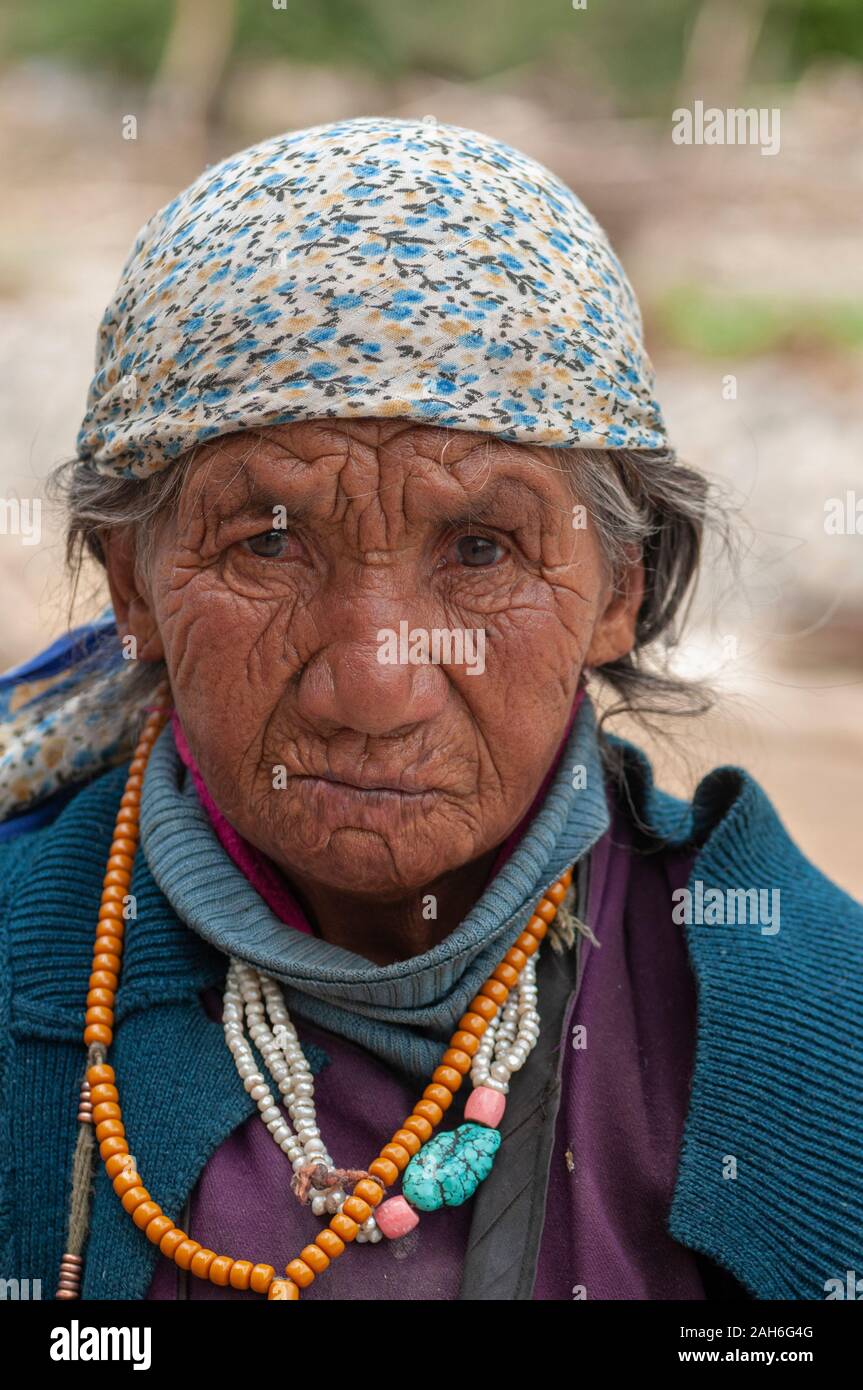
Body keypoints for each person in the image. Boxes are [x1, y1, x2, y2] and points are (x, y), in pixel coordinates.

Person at [0, 117, 860, 1302]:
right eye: (266, 540)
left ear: (621, 588)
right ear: (131, 582)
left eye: (478, 546)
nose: (374, 682)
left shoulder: (819, 1032)